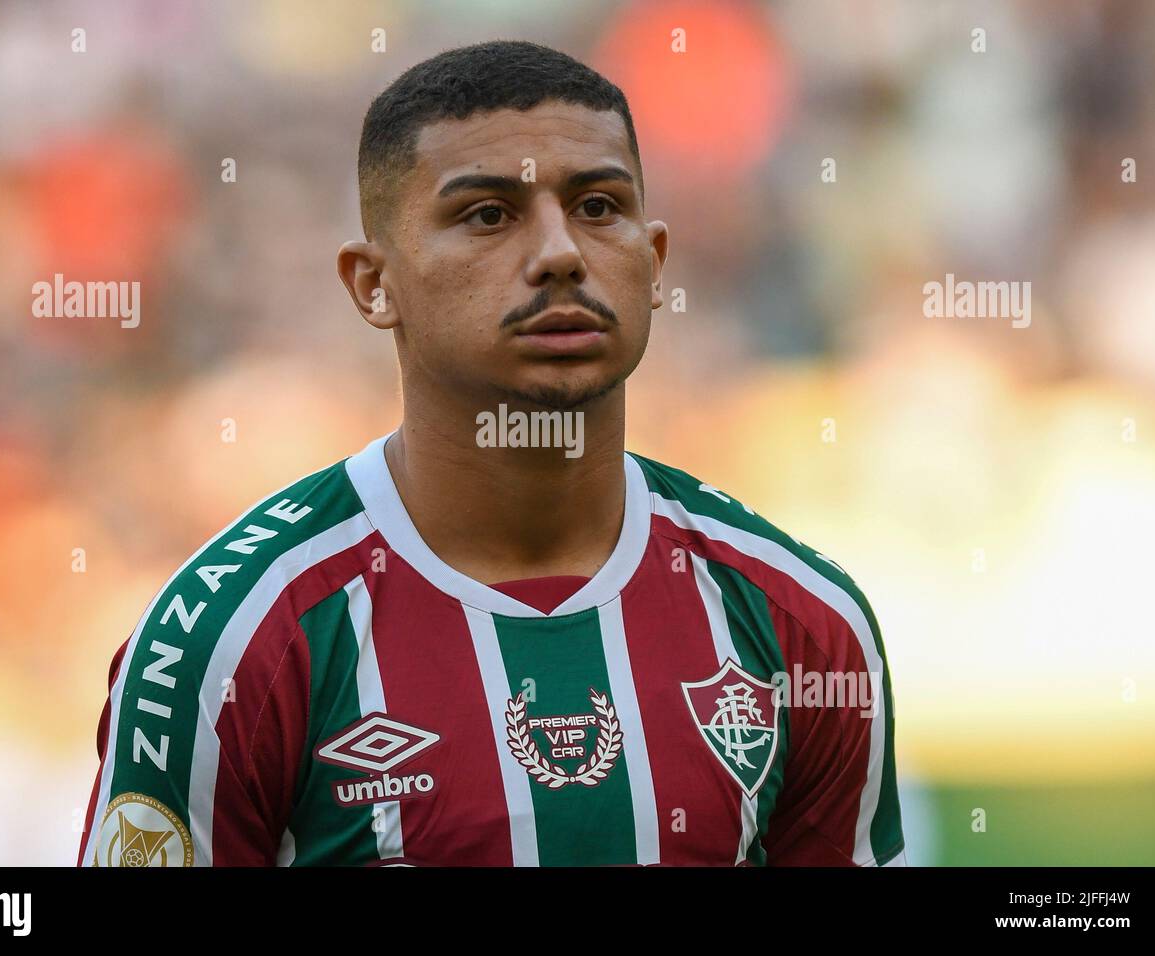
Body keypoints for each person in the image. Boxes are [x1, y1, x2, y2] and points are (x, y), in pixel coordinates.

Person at [78, 39, 905, 867]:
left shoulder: (803, 625)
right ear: (373, 283)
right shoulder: (227, 644)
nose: (560, 254)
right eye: (487, 214)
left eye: (597, 206)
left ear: (654, 264)